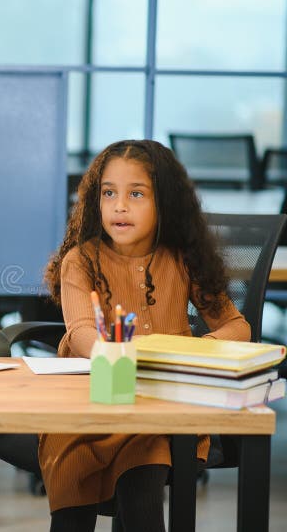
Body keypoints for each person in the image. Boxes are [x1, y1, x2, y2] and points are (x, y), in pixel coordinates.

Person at [40, 139, 250, 532]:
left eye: (136, 193)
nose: (120, 205)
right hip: (91, 407)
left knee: (145, 471)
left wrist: (187, 350)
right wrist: (116, 354)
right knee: (73, 475)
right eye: (109, 193)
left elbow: (238, 326)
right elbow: (83, 333)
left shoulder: (184, 259)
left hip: (159, 409)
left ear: (164, 202)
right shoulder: (80, 261)